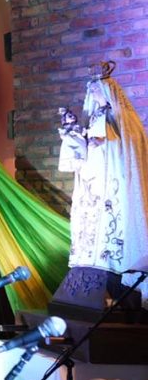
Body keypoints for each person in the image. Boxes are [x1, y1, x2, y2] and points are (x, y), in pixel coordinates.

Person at [60, 65, 148, 285]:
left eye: (97, 89)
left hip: (112, 177)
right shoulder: (94, 116)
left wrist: (104, 143)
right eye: (90, 90)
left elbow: (129, 144)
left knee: (112, 225)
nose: (93, 94)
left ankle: (115, 274)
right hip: (94, 179)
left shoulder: (120, 117)